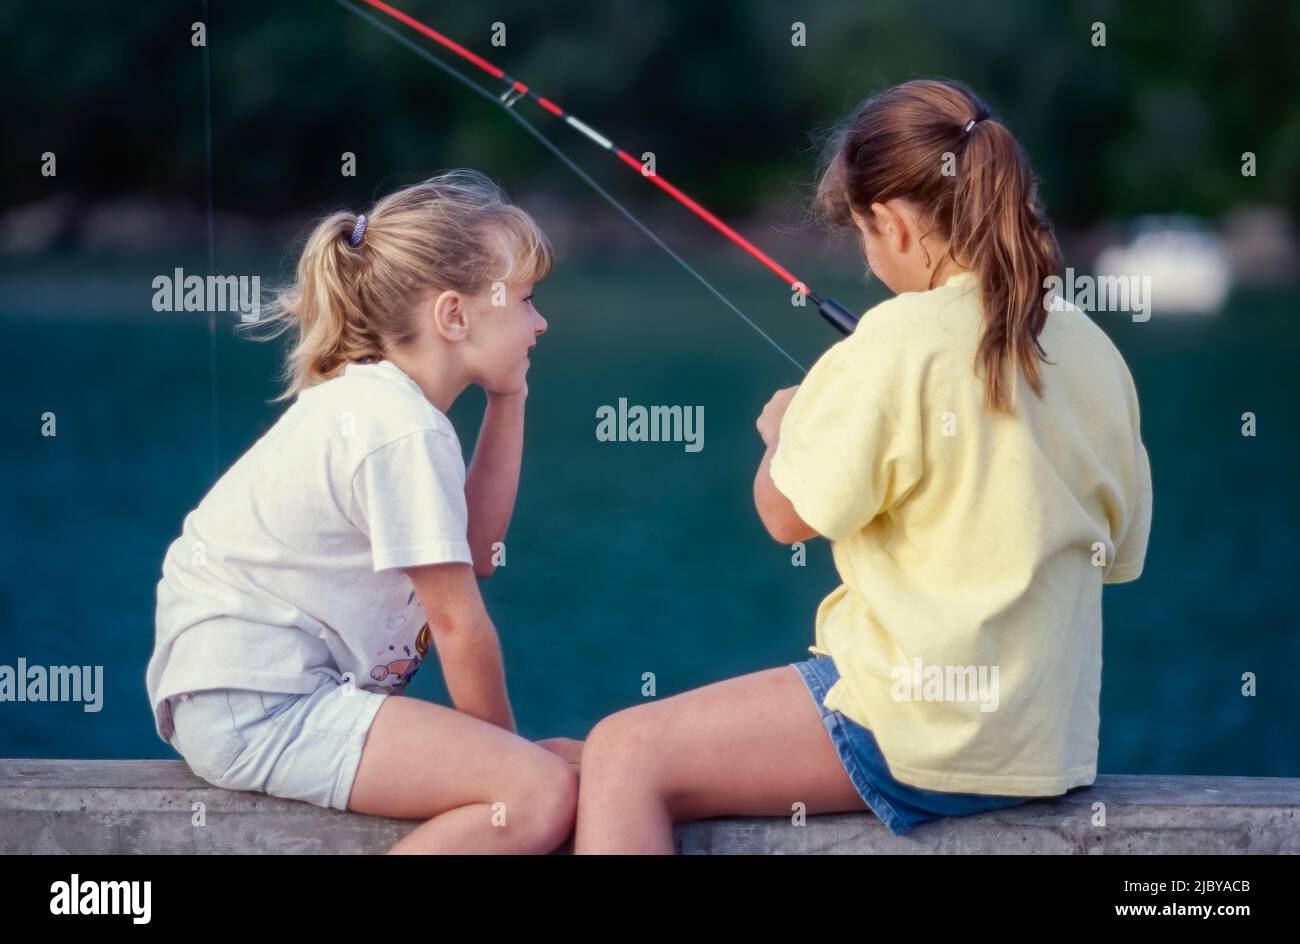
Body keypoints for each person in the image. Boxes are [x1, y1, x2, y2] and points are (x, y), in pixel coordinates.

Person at [573, 79, 1153, 853]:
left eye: (862, 234)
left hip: (915, 733)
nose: (870, 255)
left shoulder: (895, 337)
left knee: (621, 752)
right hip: (1047, 747)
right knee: (583, 765)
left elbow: (786, 517)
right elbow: (1120, 555)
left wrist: (782, 429)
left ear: (894, 224)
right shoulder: (1093, 348)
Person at [145, 169, 580, 854]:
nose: (540, 321)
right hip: (260, 703)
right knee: (537, 793)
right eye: (525, 299)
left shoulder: (388, 409)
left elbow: (479, 552)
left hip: (252, 698)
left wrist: (510, 398)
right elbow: (460, 626)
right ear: (454, 316)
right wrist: (508, 761)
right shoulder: (394, 427)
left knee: (572, 765)